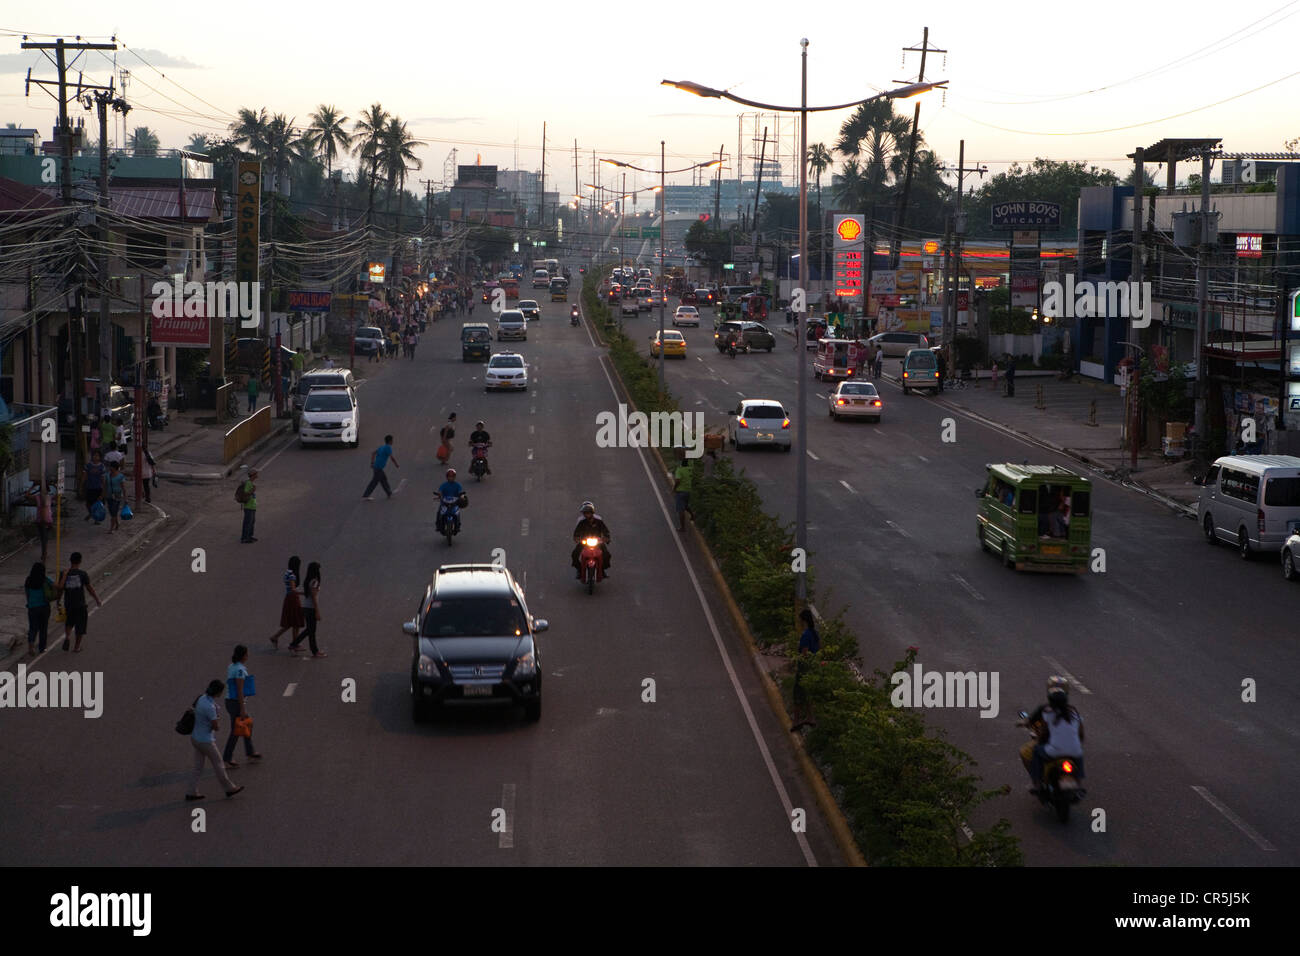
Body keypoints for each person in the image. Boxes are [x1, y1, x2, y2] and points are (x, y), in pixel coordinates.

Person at [1022, 677, 1085, 792]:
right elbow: (1081, 734)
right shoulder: (1074, 713)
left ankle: (1036, 783)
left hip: (1054, 751)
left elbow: (1044, 733)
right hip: (1075, 750)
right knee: (1079, 754)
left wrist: (1041, 741)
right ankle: (1079, 781)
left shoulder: (1047, 713)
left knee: (1036, 751)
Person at [186, 679, 244, 801]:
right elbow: (215, 726)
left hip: (195, 738)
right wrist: (216, 719)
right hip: (205, 741)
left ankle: (191, 791)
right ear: (218, 692)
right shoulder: (210, 707)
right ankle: (229, 788)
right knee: (219, 764)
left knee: (198, 767)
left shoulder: (201, 698)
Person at [222, 645, 262, 768]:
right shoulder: (239, 670)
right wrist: (242, 708)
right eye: (247, 654)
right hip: (235, 702)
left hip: (230, 701)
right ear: (243, 655)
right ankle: (228, 758)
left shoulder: (232, 666)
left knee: (245, 725)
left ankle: (250, 752)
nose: (248, 656)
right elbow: (240, 690)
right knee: (237, 729)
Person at [58, 552, 101, 653]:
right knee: (80, 626)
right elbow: (89, 588)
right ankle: (76, 647)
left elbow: (60, 589)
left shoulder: (64, 574)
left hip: (68, 604)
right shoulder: (82, 574)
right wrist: (97, 599)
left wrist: (58, 600)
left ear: (70, 560)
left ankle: (68, 637)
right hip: (80, 604)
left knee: (69, 622)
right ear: (80, 561)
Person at [791, 608, 821, 730]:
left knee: (798, 694)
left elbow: (804, 654)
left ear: (803, 621)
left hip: (804, 669)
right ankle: (810, 717)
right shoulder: (815, 633)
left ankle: (796, 721)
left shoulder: (805, 635)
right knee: (809, 693)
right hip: (814, 667)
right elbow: (819, 649)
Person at [289, 562, 326, 658]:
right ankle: (314, 651)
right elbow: (313, 597)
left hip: (306, 607)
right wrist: (317, 611)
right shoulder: (315, 582)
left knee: (310, 630)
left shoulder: (308, 581)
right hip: (311, 608)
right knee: (311, 630)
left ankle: (294, 644)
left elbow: (307, 594)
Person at [270, 556, 304, 649]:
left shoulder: (287, 573)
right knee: (296, 622)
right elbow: (293, 589)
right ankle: (294, 643)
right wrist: (304, 593)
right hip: (293, 598)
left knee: (290, 622)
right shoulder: (293, 575)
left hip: (288, 598)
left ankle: (275, 637)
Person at [570, 501, 611, 577]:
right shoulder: (581, 522)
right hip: (584, 541)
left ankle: (602, 569)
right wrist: (577, 538)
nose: (586, 515)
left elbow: (605, 530)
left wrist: (606, 538)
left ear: (592, 513)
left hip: (598, 542)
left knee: (607, 555)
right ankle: (579, 569)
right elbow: (577, 532)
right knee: (574, 554)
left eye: (588, 513)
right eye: (585, 513)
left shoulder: (599, 521)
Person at [24, 562, 57, 656]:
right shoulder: (45, 580)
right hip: (44, 607)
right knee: (43, 628)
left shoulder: (28, 580)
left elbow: (27, 594)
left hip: (32, 607)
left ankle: (31, 646)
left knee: (33, 627)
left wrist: (29, 603)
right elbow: (55, 585)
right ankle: (42, 648)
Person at [24, 479, 55, 563]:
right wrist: (33, 486)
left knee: (44, 539)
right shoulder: (40, 497)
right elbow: (26, 495)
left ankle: (44, 555)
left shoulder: (47, 497)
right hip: (42, 520)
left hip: (45, 520)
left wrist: (33, 486)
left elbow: (27, 495)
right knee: (44, 539)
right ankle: (44, 554)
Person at [363, 435, 400, 499]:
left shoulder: (382, 447)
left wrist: (372, 463)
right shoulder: (388, 447)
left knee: (383, 479)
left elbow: (373, 453)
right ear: (390, 441)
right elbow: (392, 457)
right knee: (374, 482)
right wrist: (396, 464)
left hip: (376, 467)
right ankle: (366, 495)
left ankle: (389, 493)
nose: (393, 442)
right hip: (378, 468)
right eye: (392, 440)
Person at [436, 469, 465, 534]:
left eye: (452, 476)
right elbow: (440, 491)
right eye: (449, 476)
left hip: (454, 503)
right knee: (439, 512)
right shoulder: (444, 485)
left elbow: (460, 492)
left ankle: (458, 525)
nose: (451, 478)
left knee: (457, 513)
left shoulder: (457, 485)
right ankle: (438, 525)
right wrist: (439, 495)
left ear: (454, 477)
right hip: (445, 502)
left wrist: (461, 496)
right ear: (447, 477)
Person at [672, 449, 693, 532]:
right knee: (685, 505)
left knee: (681, 510)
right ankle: (692, 515)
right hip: (688, 490)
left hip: (680, 491)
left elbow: (677, 480)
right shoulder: (690, 469)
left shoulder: (679, 470)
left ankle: (682, 527)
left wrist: (674, 489)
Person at [83, 450, 106, 523]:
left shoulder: (102, 466)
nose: (95, 457)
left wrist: (103, 489)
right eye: (94, 455)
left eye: (97, 455)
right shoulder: (88, 465)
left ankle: (96, 519)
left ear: (100, 457)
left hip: (98, 487)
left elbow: (103, 479)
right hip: (89, 487)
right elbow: (85, 475)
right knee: (88, 503)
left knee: (97, 504)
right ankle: (91, 513)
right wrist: (82, 484)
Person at [105, 460, 126, 533]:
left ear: (115, 468)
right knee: (112, 512)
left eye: (111, 466)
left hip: (117, 496)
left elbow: (123, 488)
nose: (110, 468)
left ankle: (111, 528)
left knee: (114, 511)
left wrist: (125, 498)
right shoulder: (107, 475)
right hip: (109, 496)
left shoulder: (120, 476)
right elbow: (105, 486)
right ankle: (116, 523)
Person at [239, 468, 258, 544]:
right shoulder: (248, 483)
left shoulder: (251, 483)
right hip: (248, 507)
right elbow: (246, 493)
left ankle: (249, 536)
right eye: (256, 474)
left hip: (252, 506)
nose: (257, 475)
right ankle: (244, 538)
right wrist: (253, 490)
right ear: (252, 475)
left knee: (252, 522)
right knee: (247, 523)